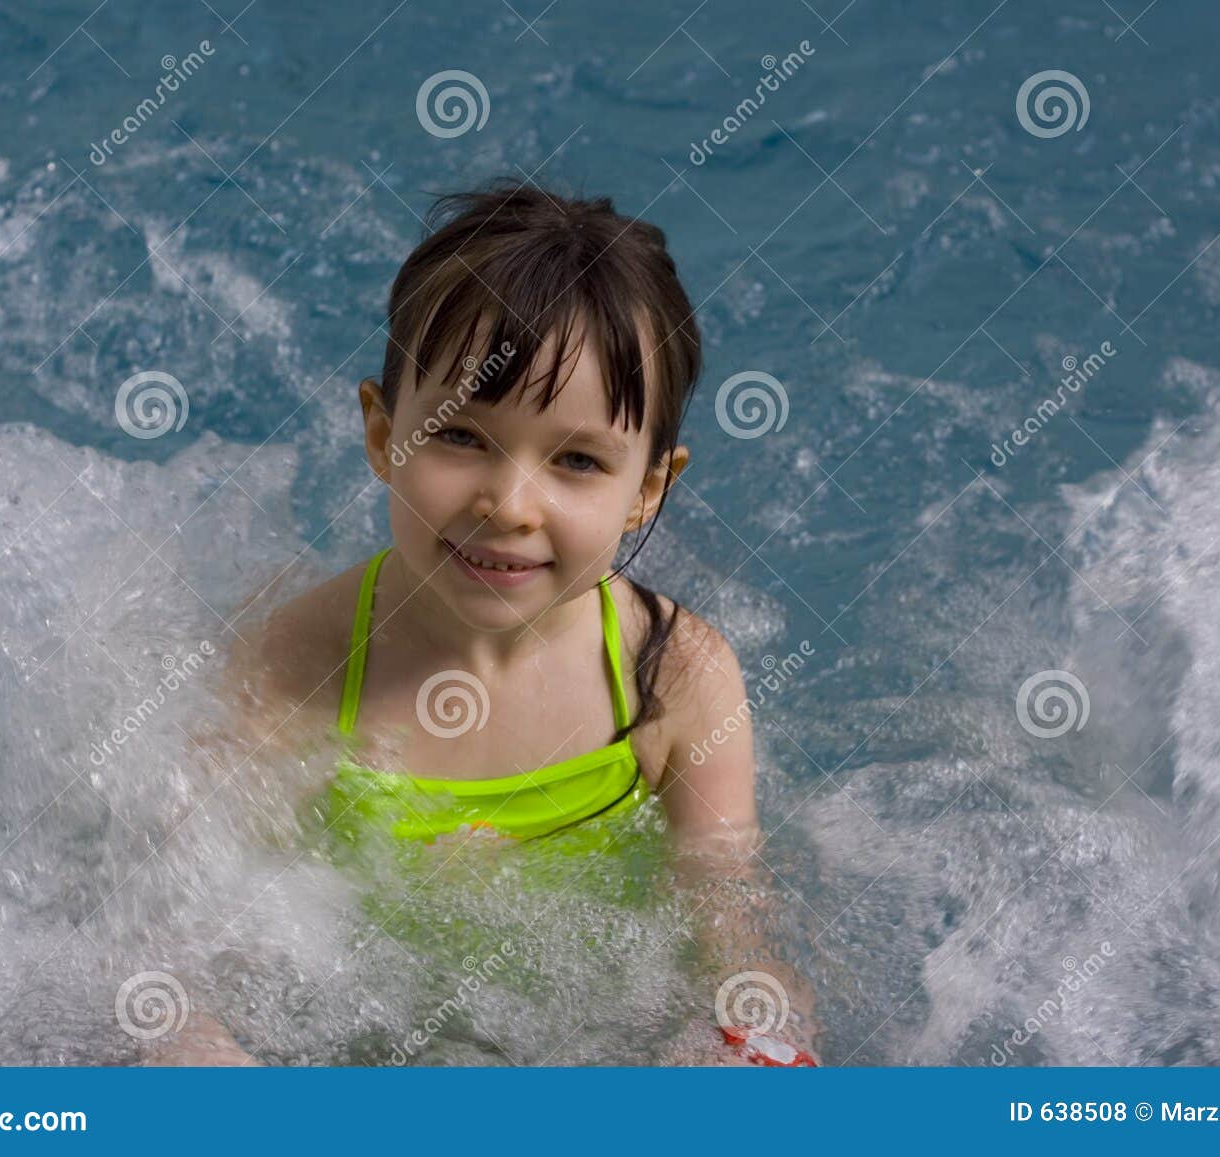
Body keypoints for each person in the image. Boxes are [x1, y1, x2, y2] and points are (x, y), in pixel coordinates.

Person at [150, 181, 818, 1067]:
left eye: (578, 459)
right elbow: (173, 945)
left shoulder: (675, 679)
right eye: (462, 436)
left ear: (646, 491)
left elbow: (732, 917)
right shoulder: (295, 667)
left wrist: (764, 1043)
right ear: (383, 433)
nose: (508, 504)